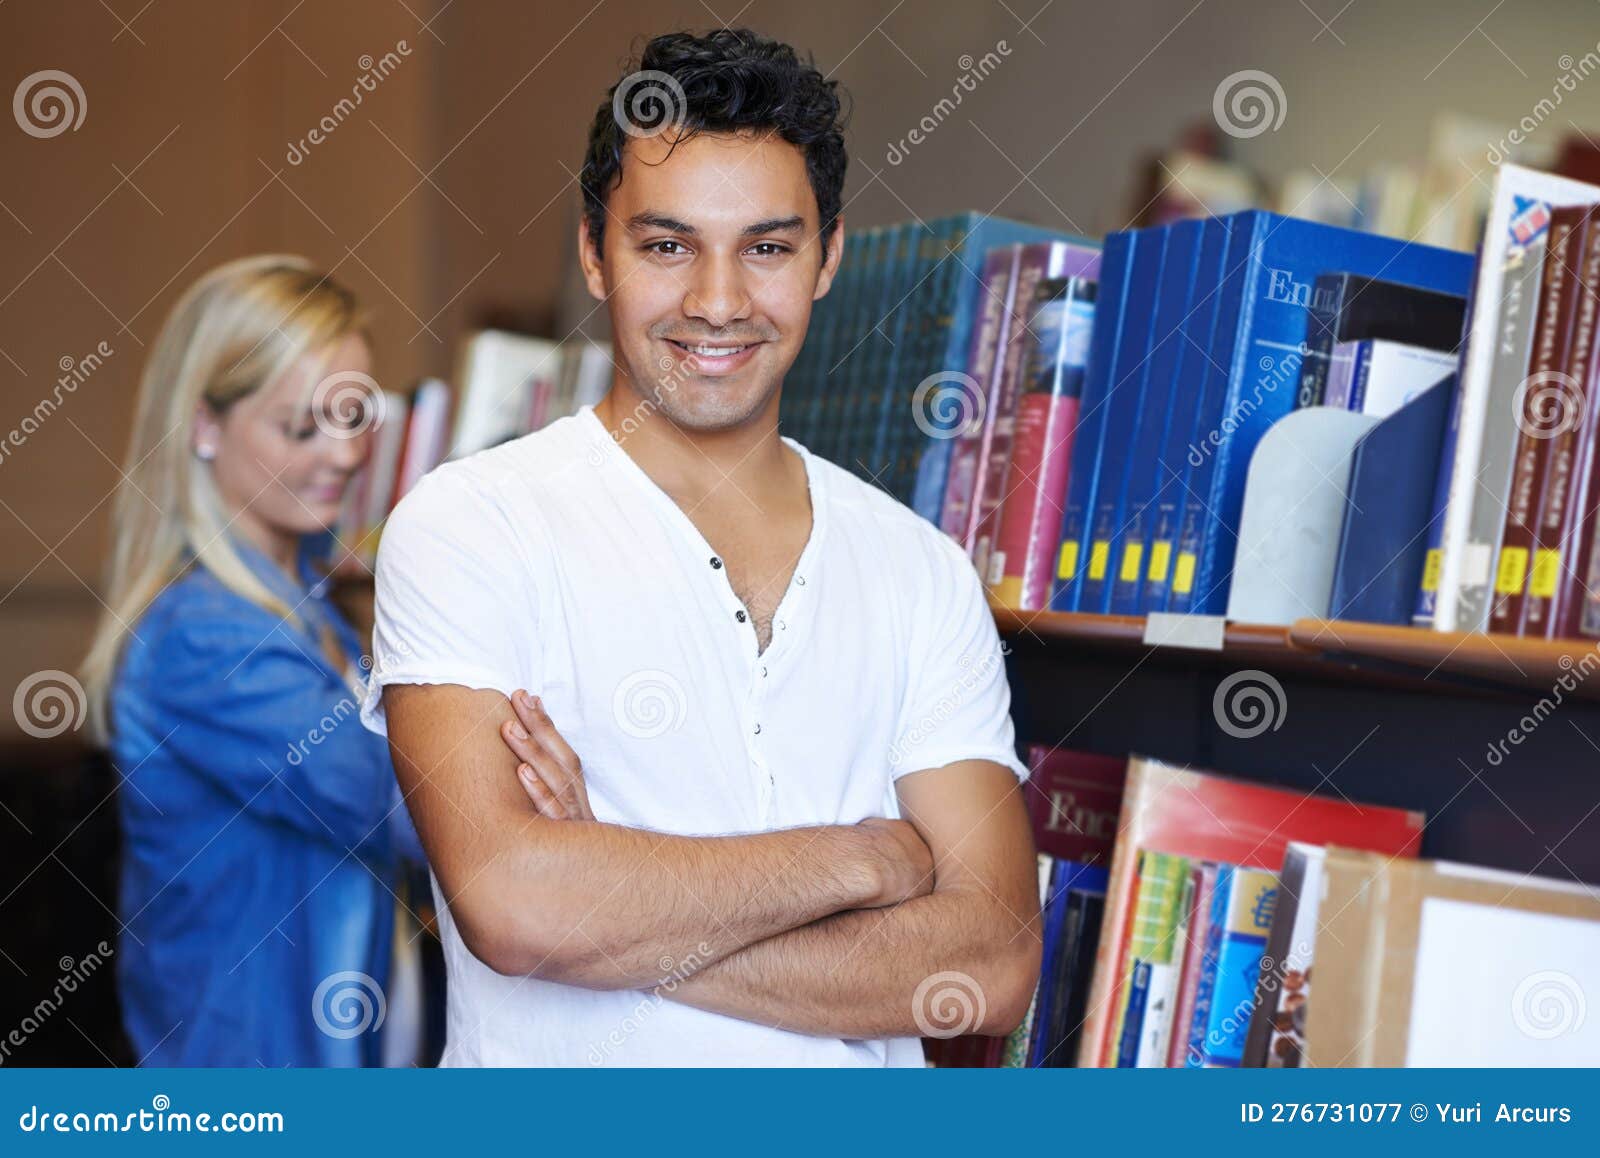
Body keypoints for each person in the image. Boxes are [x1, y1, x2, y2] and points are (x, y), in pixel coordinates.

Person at [359, 27, 1040, 1066]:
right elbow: (515, 909)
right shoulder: (468, 527)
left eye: (767, 247)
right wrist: (864, 858)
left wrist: (612, 895)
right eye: (666, 245)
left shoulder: (921, 569)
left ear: (827, 258)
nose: (718, 302)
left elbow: (986, 968)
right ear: (595, 252)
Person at [80, 255, 418, 1066]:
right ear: (204, 425)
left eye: (354, 416)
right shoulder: (204, 638)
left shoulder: (310, 607)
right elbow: (415, 810)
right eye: (302, 426)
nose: (342, 455)